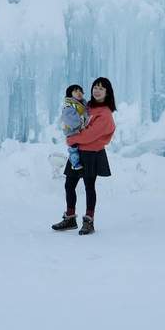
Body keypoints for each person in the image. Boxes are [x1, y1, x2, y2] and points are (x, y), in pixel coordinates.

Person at [51, 77, 116, 236]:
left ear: (107, 93)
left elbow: (89, 135)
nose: (97, 90)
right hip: (78, 151)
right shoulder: (87, 107)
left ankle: (89, 221)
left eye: (101, 88)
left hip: (92, 153)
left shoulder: (105, 114)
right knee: (69, 185)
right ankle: (70, 218)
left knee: (89, 186)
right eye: (95, 87)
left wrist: (71, 139)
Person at [58, 84, 89, 170]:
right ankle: (75, 164)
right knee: (74, 148)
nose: (79, 93)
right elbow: (69, 118)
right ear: (70, 94)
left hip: (80, 129)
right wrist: (79, 123)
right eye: (75, 91)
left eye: (80, 91)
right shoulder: (68, 105)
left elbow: (87, 113)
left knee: (79, 148)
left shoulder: (83, 103)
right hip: (72, 131)